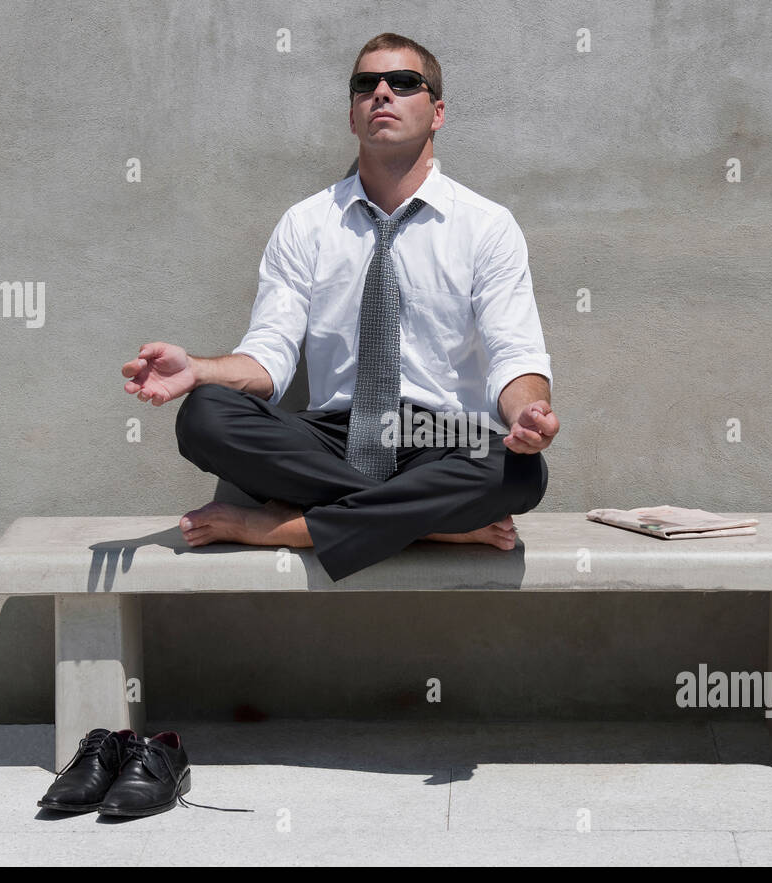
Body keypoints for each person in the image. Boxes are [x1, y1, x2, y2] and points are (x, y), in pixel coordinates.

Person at [121, 33, 560, 582]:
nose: (382, 93)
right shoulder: (306, 224)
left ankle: (286, 528)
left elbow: (513, 352)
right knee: (206, 416)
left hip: (438, 437)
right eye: (365, 86)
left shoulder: (486, 227)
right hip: (334, 435)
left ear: (437, 112)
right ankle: (431, 524)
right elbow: (269, 359)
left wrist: (526, 414)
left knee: (518, 473)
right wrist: (200, 371)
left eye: (403, 83)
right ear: (353, 116)